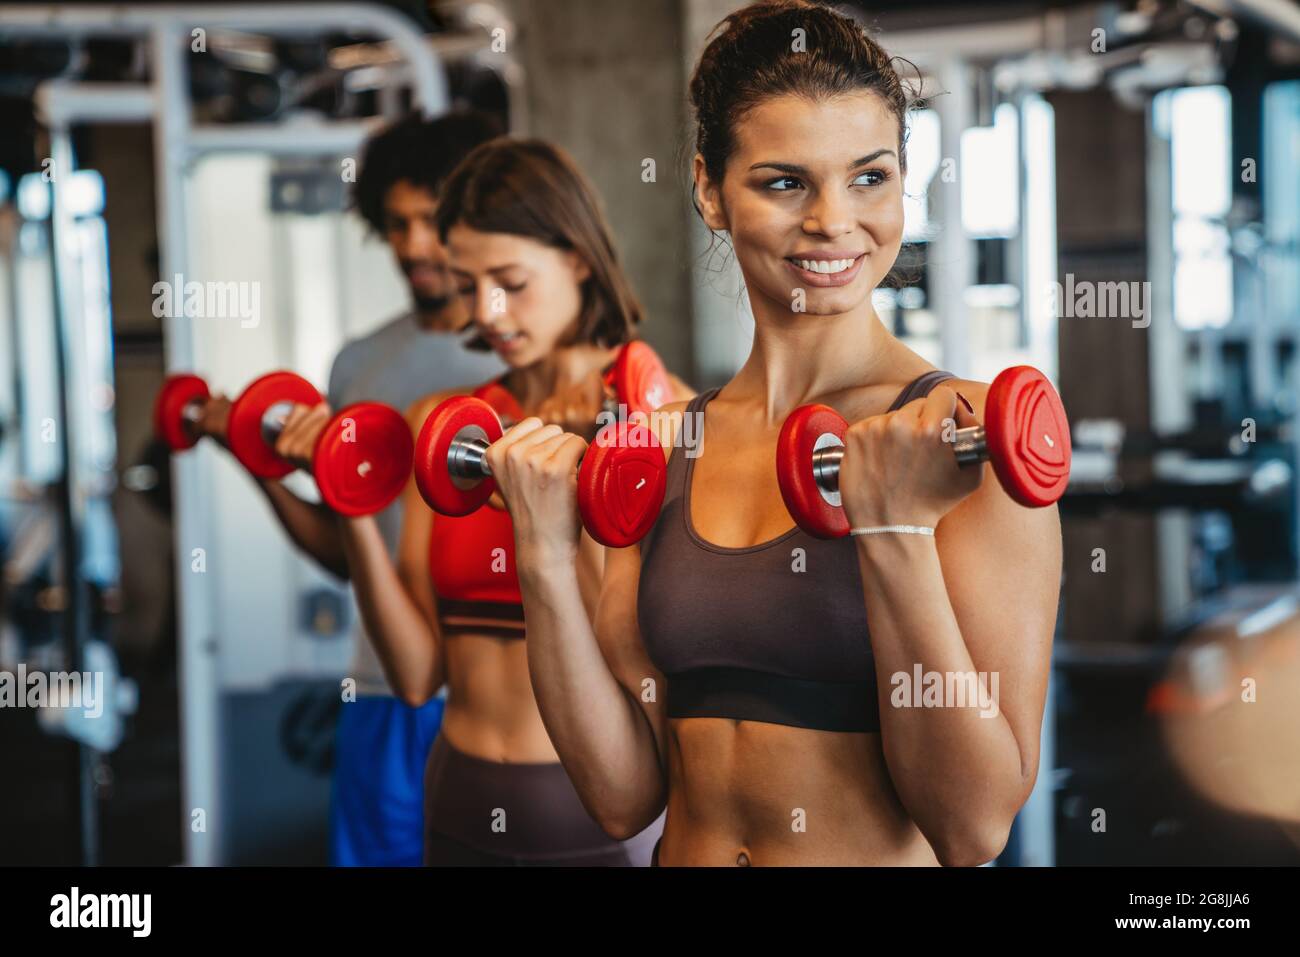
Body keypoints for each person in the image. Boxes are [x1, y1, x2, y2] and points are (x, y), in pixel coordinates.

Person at [487, 0, 1062, 866]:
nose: (834, 220)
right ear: (711, 192)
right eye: (785, 181)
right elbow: (621, 795)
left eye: (869, 177)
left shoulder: (965, 437)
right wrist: (541, 554)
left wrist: (896, 529)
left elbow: (973, 826)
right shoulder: (660, 447)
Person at [333, 137, 691, 865]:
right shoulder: (448, 428)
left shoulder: (670, 426)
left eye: (510, 280)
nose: (489, 311)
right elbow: (414, 674)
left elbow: (640, 663)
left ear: (579, 259)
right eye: (469, 285)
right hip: (456, 795)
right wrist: (349, 503)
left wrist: (590, 468)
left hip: (595, 816)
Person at [193, 111, 506, 867]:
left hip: (488, 692)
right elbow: (348, 551)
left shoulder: (513, 363)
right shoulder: (360, 363)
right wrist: (258, 461)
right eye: (394, 224)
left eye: (430, 222)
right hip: (376, 685)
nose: (411, 247)